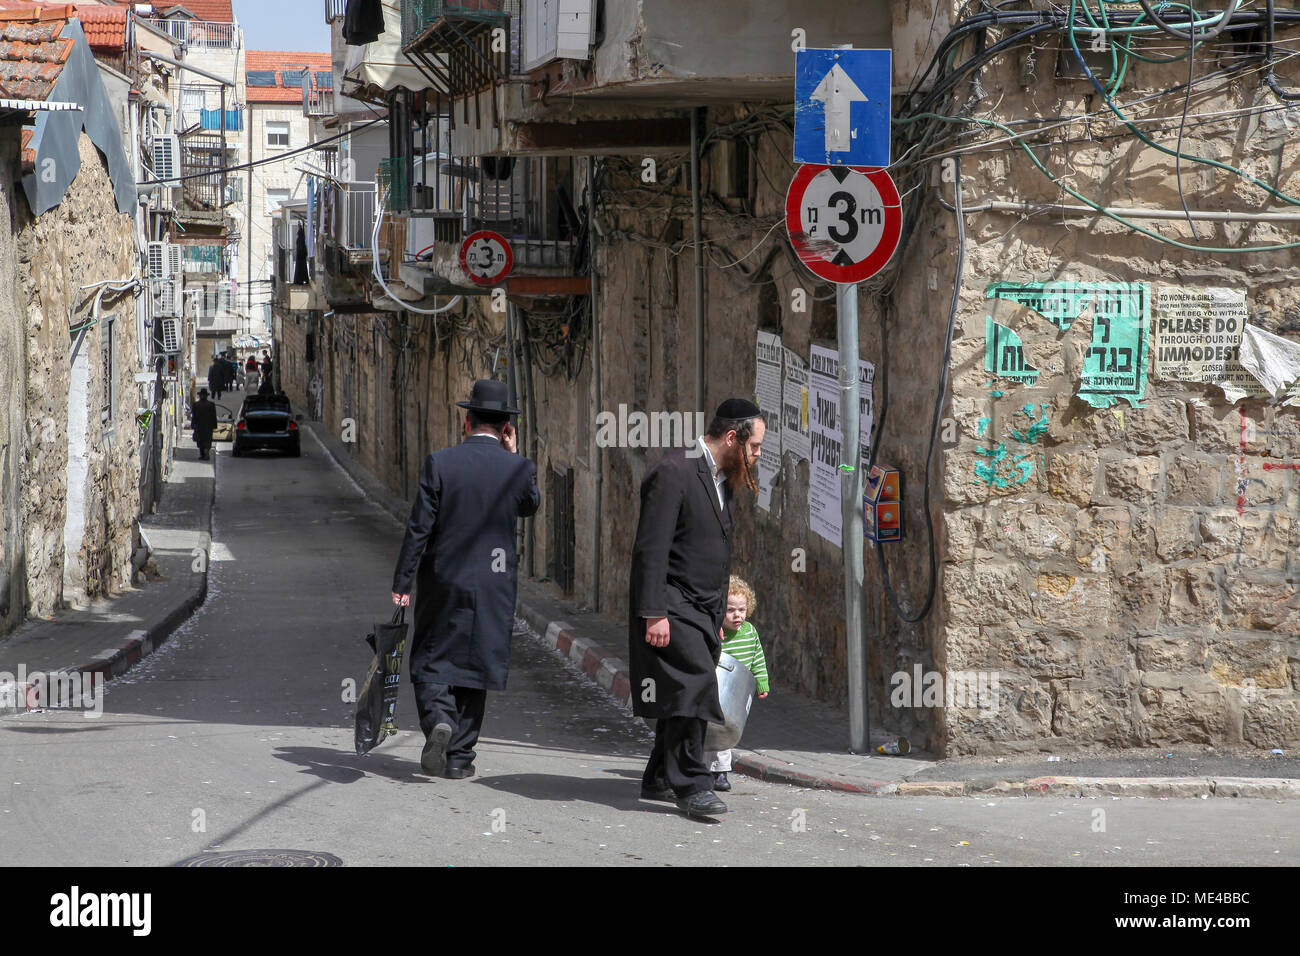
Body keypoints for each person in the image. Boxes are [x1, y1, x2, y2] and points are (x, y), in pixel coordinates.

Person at [391, 380, 540, 779]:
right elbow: (530, 505)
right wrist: (514, 456)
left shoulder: (440, 463)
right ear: (506, 426)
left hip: (445, 578)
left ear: (466, 421)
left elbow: (418, 529)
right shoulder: (520, 468)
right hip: (494, 586)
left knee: (430, 655)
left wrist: (402, 584)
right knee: (479, 663)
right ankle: (459, 758)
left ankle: (439, 717)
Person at [628, 398, 765, 821]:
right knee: (693, 689)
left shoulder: (720, 476)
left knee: (679, 695)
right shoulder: (675, 472)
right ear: (731, 437)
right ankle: (691, 783)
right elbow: (651, 548)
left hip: (702, 610)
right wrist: (653, 612)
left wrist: (717, 616)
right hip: (672, 603)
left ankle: (659, 776)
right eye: (754, 446)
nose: (757, 456)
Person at [704, 575, 770, 792]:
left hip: (737, 690)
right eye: (730, 610)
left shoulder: (750, 633)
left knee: (725, 731)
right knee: (708, 729)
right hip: (714, 686)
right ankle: (706, 771)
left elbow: (757, 658)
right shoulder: (714, 631)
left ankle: (720, 772)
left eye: (741, 610)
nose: (737, 615)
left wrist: (762, 682)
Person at [191, 388, 218, 461]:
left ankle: (202, 454)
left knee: (200, 440)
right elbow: (213, 416)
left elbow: (194, 416)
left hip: (199, 426)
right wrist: (215, 425)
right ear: (206, 396)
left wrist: (193, 425)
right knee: (208, 440)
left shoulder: (196, 405)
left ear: (200, 396)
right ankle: (206, 450)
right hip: (208, 426)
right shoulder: (211, 405)